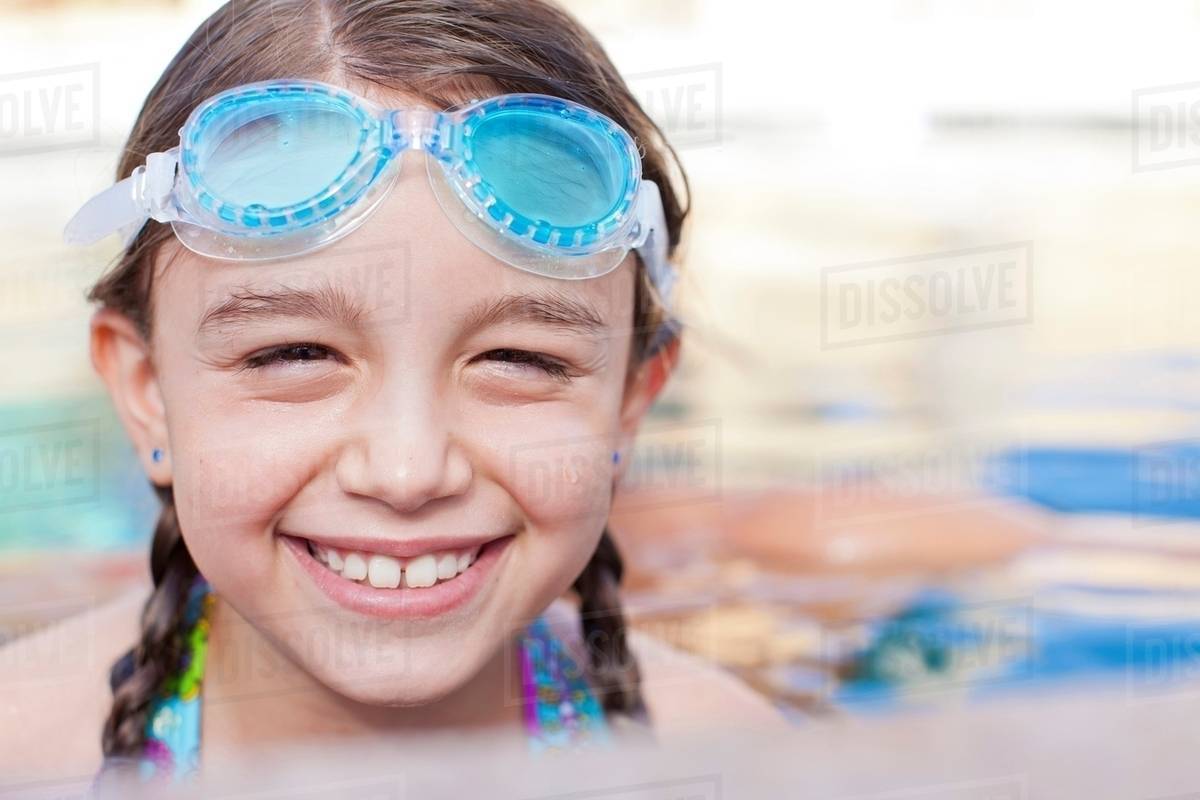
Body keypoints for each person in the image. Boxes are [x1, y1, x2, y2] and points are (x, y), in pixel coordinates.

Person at [0, 0, 788, 789]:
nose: (408, 473)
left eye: (520, 359)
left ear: (629, 402)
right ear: (146, 394)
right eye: (293, 353)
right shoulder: (26, 754)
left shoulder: (726, 759)